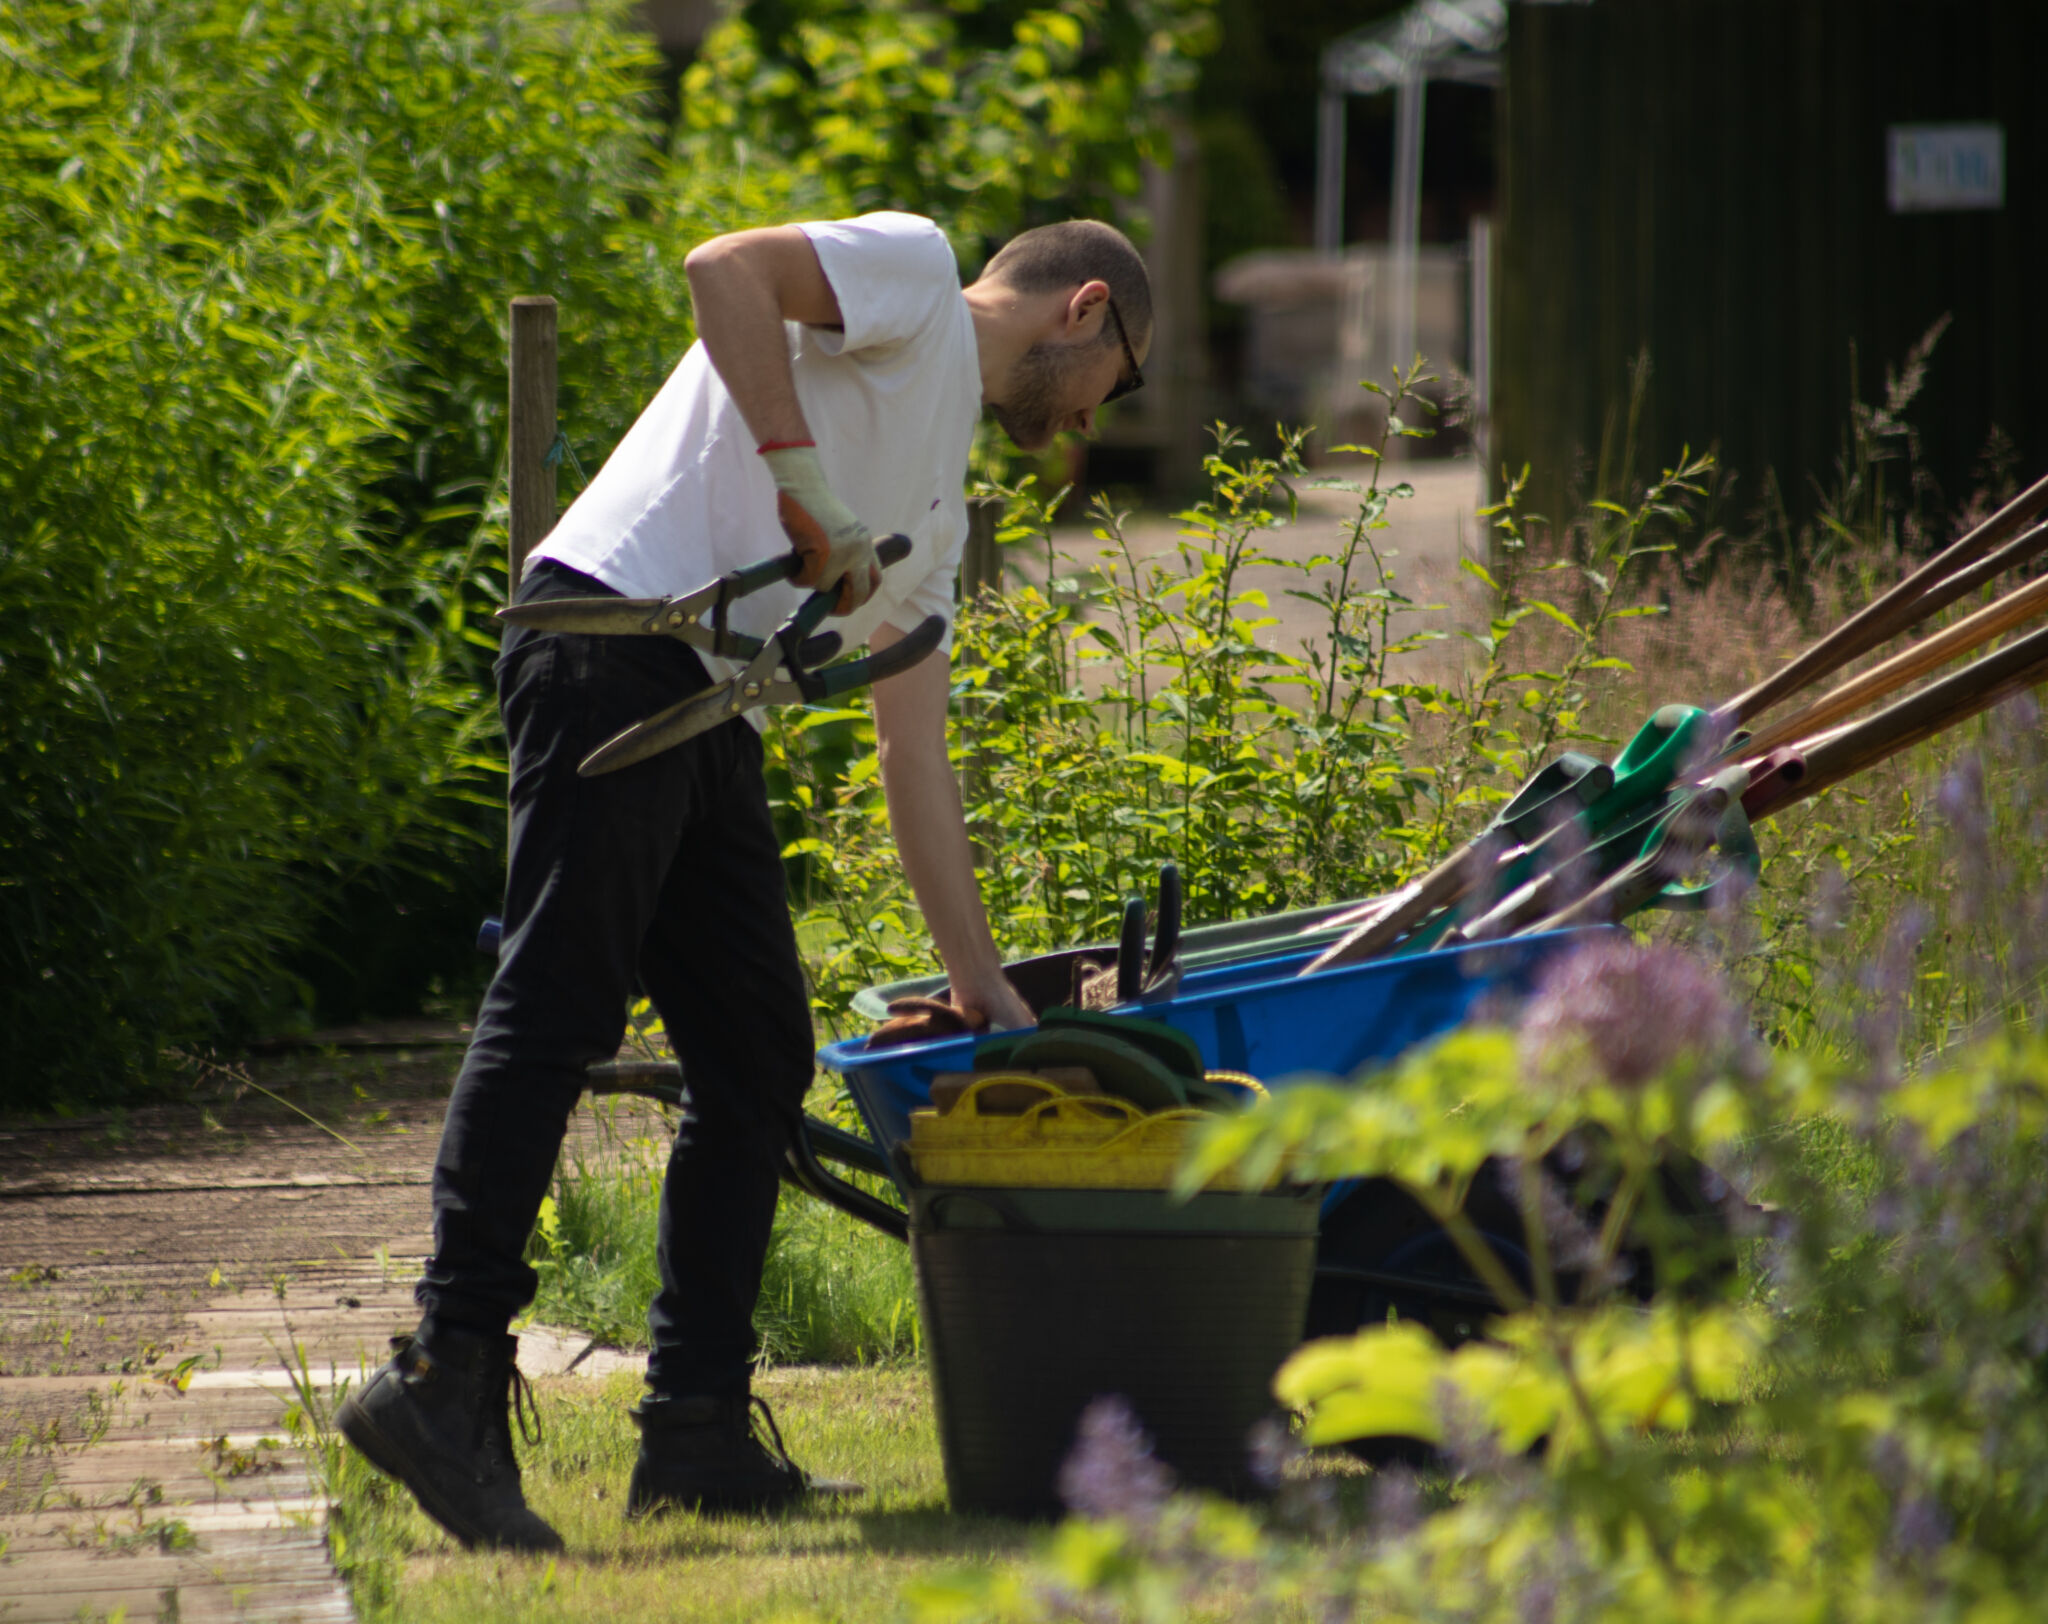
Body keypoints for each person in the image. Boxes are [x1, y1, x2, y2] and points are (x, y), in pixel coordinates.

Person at [337, 213, 1154, 1550]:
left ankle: (697, 1427)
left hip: (709, 708)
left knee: (760, 1053)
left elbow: (912, 747)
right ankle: (445, 1375)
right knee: (553, 1008)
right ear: (1084, 312)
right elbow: (725, 268)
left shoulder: (937, 506)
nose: (1086, 425)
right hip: (613, 639)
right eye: (1116, 384)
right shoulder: (911, 276)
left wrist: (980, 983)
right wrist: (801, 487)